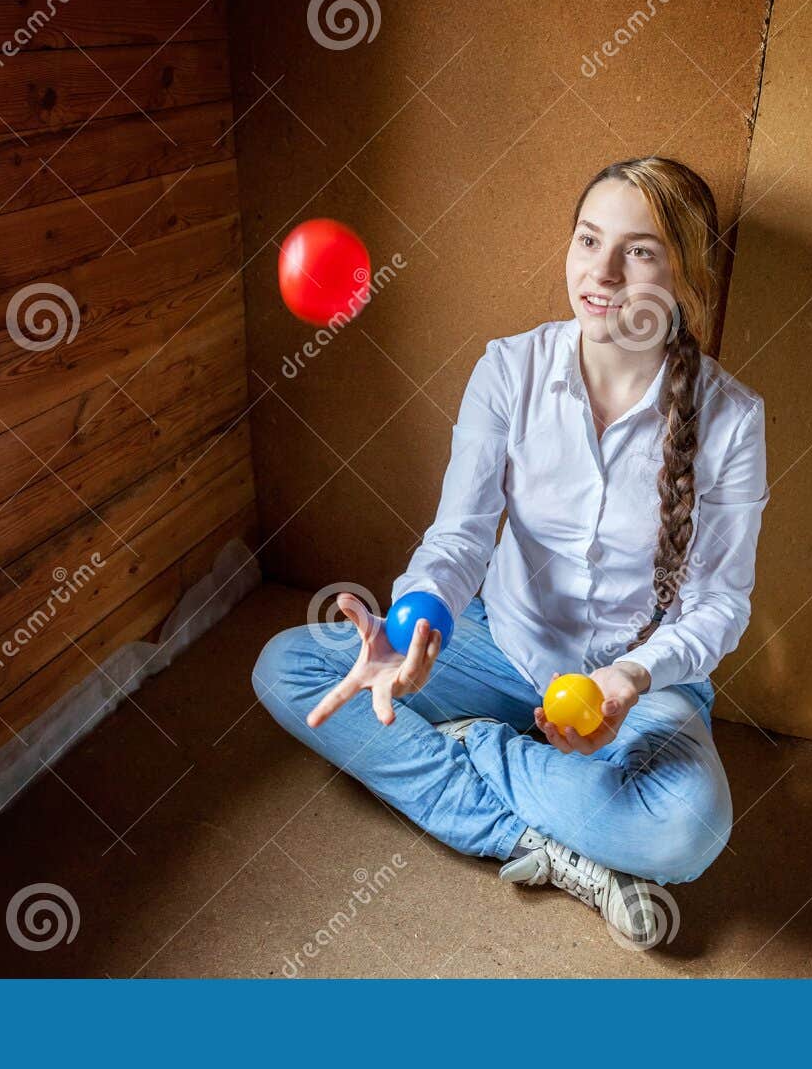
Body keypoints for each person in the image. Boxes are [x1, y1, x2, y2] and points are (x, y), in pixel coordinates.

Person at [253, 156, 770, 947]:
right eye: (588, 239)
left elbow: (718, 604)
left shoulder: (732, 420)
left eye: (637, 251)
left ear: (686, 273)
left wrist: (629, 678)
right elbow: (460, 534)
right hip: (500, 645)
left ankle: (473, 748)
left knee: (687, 829)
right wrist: (416, 621)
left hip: (640, 685)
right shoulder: (509, 369)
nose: (600, 272)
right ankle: (548, 847)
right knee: (286, 667)